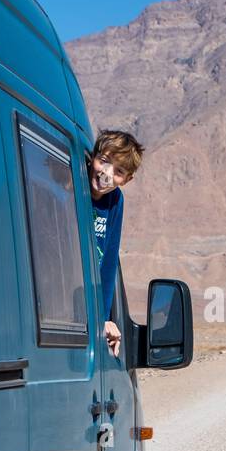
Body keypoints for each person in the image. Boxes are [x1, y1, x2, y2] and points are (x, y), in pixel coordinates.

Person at [87, 129, 144, 357]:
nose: (107, 174)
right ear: (93, 157)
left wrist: (103, 319)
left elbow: (108, 263)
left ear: (127, 180)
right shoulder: (73, 185)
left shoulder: (115, 201)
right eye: (104, 161)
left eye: (119, 171)